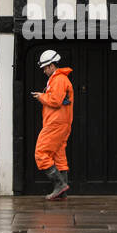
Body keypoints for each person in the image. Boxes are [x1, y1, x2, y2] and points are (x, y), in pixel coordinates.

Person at [32, 49, 74, 200]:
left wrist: (41, 97)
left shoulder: (59, 80)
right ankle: (62, 191)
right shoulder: (60, 79)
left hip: (55, 123)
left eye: (45, 67)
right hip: (62, 122)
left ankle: (60, 185)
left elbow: (55, 101)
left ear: (51, 65)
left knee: (41, 153)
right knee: (59, 156)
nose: (44, 71)